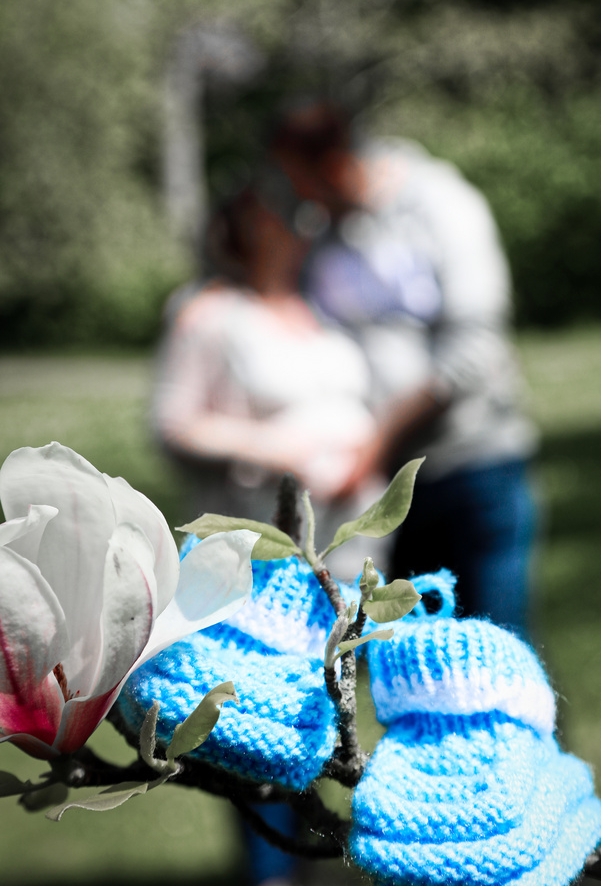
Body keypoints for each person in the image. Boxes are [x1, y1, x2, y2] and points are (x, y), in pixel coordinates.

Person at [151, 183, 385, 886]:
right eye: (286, 217)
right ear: (251, 228)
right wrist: (276, 449)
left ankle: (307, 862)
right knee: (257, 721)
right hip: (258, 561)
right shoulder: (209, 312)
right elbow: (173, 424)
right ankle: (272, 873)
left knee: (320, 719)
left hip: (341, 556)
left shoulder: (320, 306)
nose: (303, 229)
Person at [270, 100, 540, 637]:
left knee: (495, 654)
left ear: (335, 165)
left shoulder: (442, 205)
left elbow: (475, 347)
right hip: (390, 487)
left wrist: (380, 438)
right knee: (411, 661)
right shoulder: (320, 231)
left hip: (473, 466)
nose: (297, 196)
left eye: (299, 179)